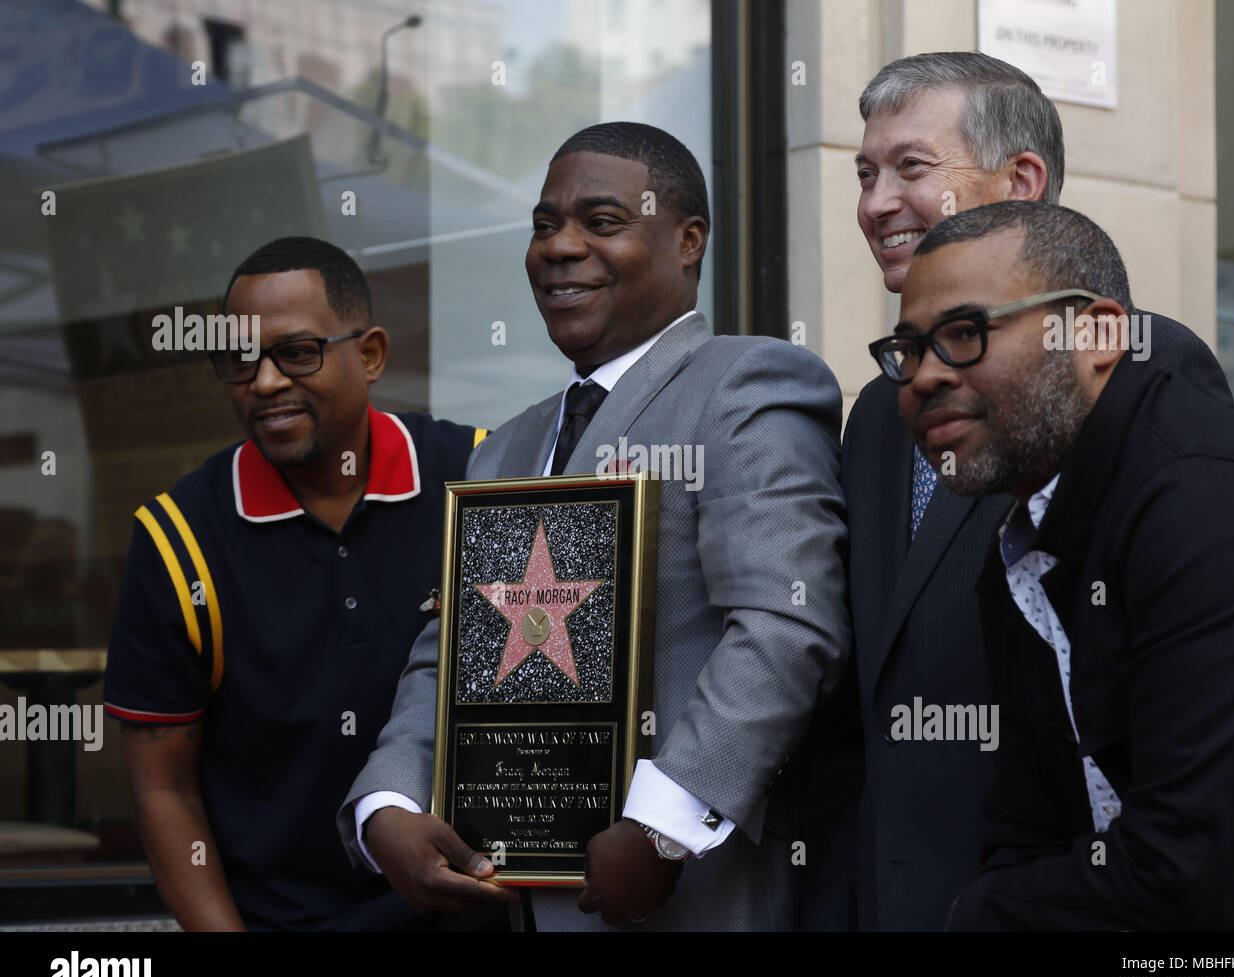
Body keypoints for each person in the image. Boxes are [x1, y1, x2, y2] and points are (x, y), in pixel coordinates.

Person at [338, 121, 851, 931]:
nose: (560, 247)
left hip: (699, 903)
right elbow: (448, 658)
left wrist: (664, 827)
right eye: (544, 225)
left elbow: (787, 626)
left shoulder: (745, 385)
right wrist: (388, 803)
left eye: (601, 222)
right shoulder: (503, 446)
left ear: (689, 242)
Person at [797, 51, 1234, 931]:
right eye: (865, 173)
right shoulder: (880, 410)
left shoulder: (1133, 370)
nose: (876, 203)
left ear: (1022, 179)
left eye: (911, 167)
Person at [884, 200, 1234, 929]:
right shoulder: (1022, 540)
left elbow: (1197, 881)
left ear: (1099, 333)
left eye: (964, 333)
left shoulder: (1210, 505)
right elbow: (1025, 832)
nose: (922, 376)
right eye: (909, 349)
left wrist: (977, 913)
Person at [103, 236, 508, 931]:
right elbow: (164, 785)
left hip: (474, 910)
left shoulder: (481, 478)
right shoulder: (178, 537)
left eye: (297, 352)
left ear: (372, 354)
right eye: (240, 360)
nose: (263, 382)